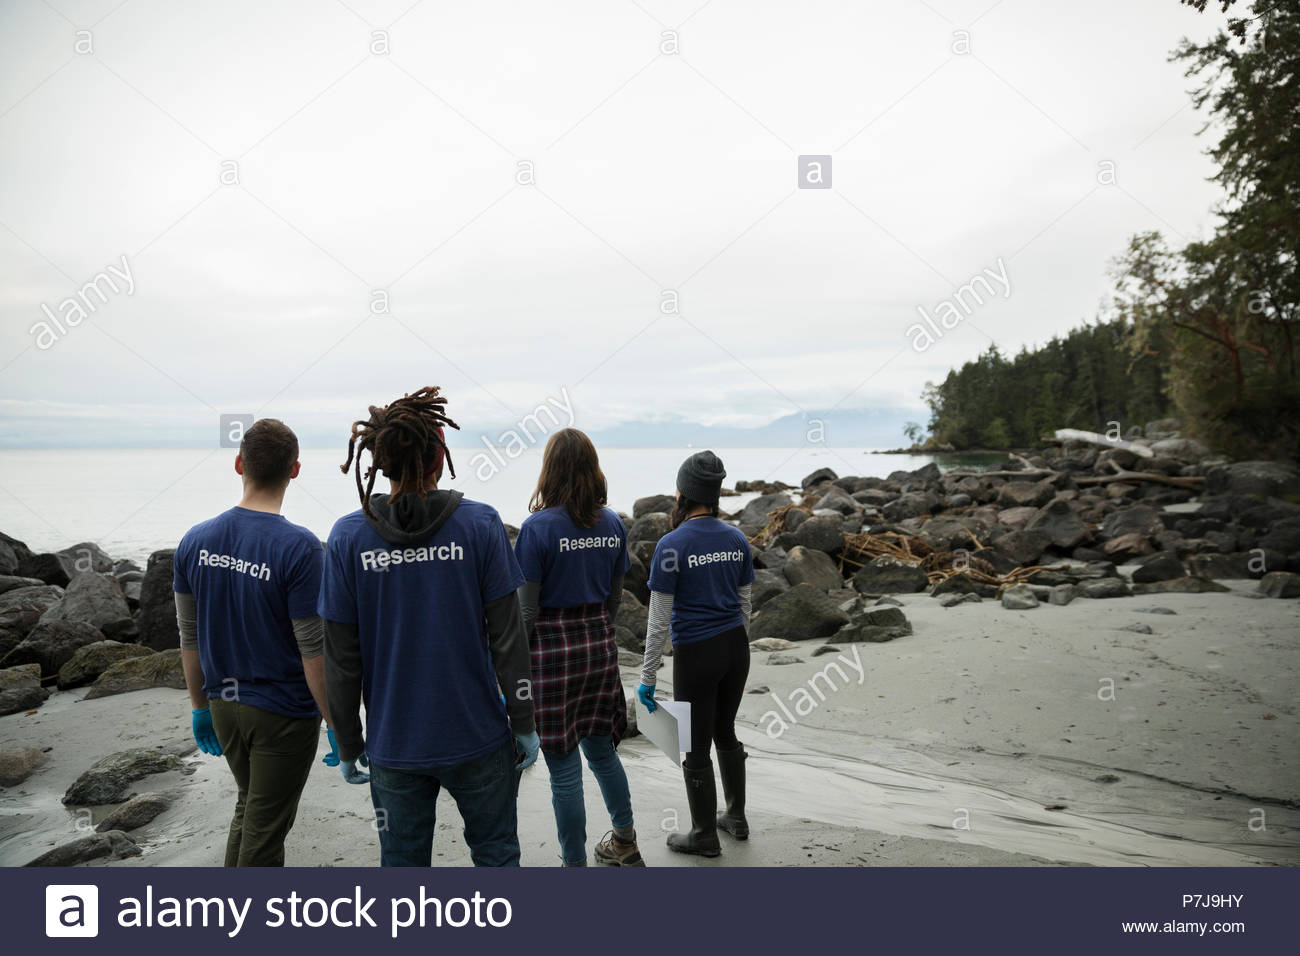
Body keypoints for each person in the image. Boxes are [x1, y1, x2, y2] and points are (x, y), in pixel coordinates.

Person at [319, 386, 538, 867]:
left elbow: (340, 655)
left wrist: (348, 740)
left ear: (380, 460)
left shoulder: (348, 537)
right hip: (478, 736)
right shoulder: (480, 526)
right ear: (440, 455)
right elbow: (509, 641)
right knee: (497, 857)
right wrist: (523, 722)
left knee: (402, 867)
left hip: (395, 745)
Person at [174, 417, 338, 867]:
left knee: (251, 810)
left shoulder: (194, 540)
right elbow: (313, 651)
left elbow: (188, 637)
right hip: (281, 713)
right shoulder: (301, 548)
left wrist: (199, 707)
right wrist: (337, 723)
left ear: (238, 463)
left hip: (223, 707)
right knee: (265, 833)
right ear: (296, 470)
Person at [515, 428, 642, 867]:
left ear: (549, 470)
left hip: (551, 654)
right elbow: (614, 597)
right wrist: (597, 632)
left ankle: (574, 865)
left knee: (563, 768)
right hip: (599, 646)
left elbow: (526, 613)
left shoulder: (536, 528)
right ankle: (625, 841)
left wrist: (510, 667)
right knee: (603, 752)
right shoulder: (612, 524)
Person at [637, 450, 753, 857]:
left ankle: (704, 833)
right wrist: (737, 649)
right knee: (726, 730)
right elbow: (744, 607)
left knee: (696, 746)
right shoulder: (737, 539)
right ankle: (735, 816)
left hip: (697, 655)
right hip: (736, 649)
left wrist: (647, 678)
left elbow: (657, 624)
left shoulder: (671, 545)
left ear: (681, 493)